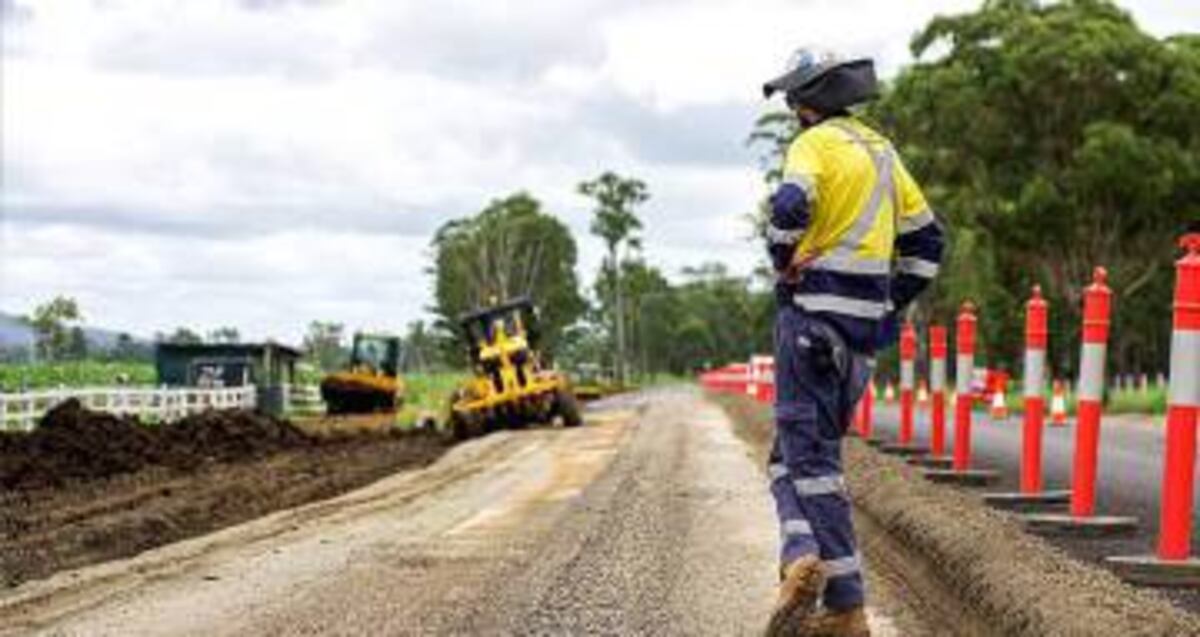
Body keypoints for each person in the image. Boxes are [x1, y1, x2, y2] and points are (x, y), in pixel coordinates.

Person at [760, 47, 944, 636]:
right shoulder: (882, 150)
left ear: (804, 104)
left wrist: (782, 258)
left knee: (809, 466)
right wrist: (887, 307)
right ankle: (800, 562)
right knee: (792, 459)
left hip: (809, 324)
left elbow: (790, 205)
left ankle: (844, 604)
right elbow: (928, 244)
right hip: (860, 342)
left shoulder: (812, 144)